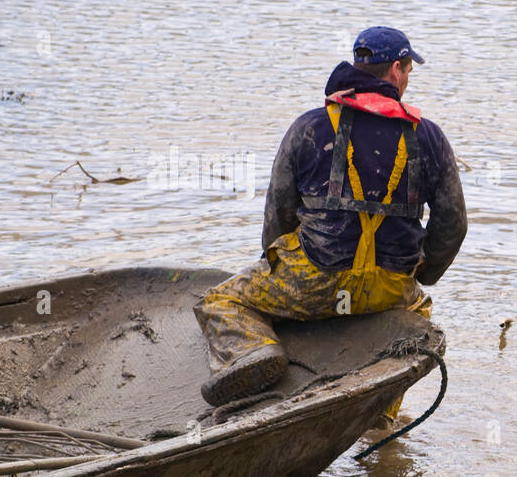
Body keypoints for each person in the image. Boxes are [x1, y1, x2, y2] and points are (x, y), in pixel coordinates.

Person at [195, 26, 467, 406]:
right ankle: (382, 415)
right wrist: (423, 272)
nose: (407, 79)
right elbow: (453, 225)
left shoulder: (310, 127)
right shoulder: (429, 136)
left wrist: (281, 269)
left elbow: (279, 215)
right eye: (408, 69)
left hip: (315, 280)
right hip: (389, 289)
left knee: (219, 302)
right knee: (417, 309)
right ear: (395, 70)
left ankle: (254, 353)